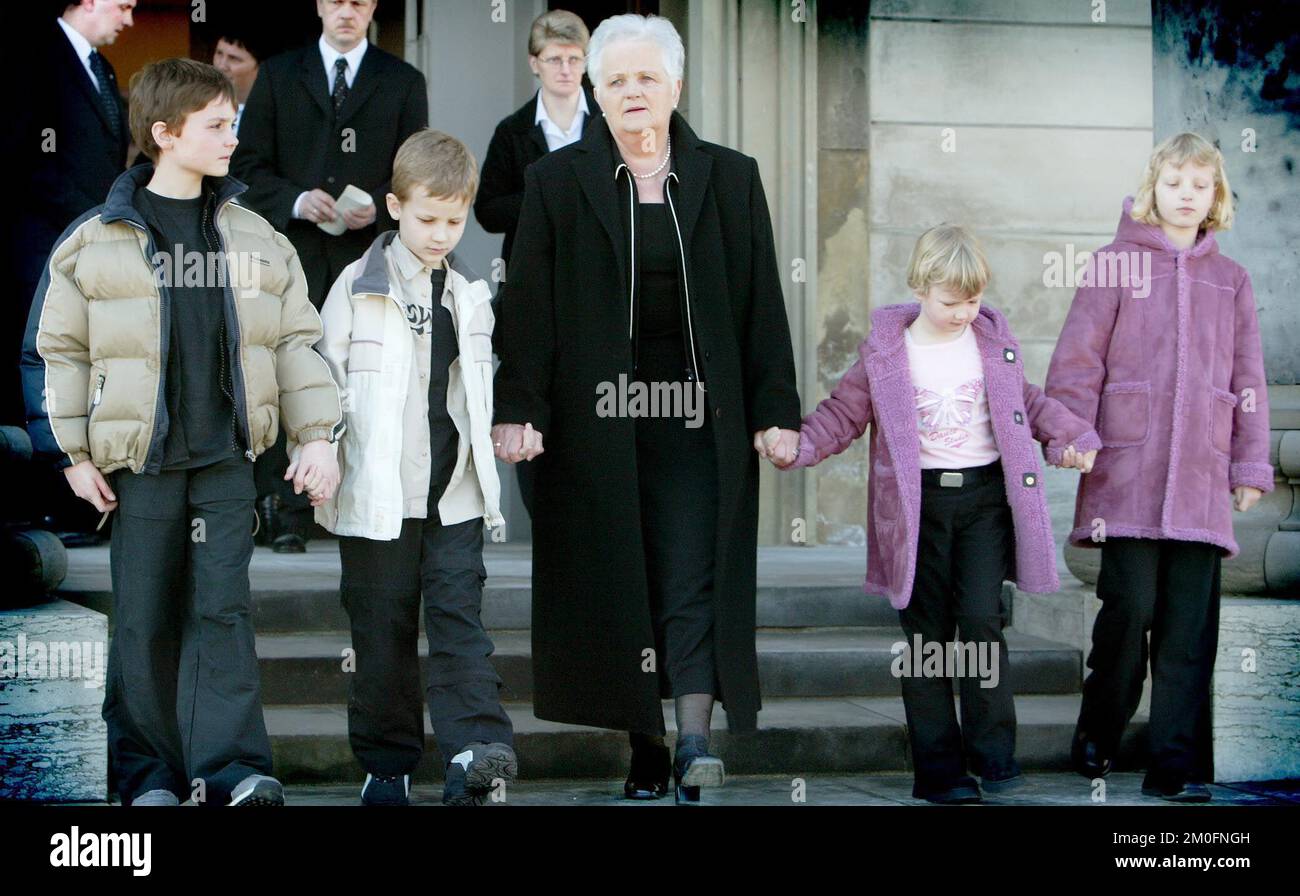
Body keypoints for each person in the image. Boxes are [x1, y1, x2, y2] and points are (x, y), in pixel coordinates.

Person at [492, 13, 802, 803]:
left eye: (647, 78)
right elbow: (528, 309)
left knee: (695, 571)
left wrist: (776, 408)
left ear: (677, 87)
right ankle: (647, 743)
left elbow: (761, 302)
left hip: (703, 420)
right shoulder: (556, 184)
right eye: (617, 80)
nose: (633, 92)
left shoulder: (730, 178)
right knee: (625, 578)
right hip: (600, 421)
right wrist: (520, 406)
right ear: (595, 93)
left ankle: (696, 738)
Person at [21, 58, 343, 807]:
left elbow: (297, 340)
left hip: (227, 463)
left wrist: (317, 434)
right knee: (142, 624)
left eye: (233, 123)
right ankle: (147, 781)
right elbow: (54, 351)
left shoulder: (255, 235)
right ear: (165, 134)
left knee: (222, 613)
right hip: (142, 467)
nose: (234, 138)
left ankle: (229, 771)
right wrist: (69, 453)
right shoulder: (91, 239)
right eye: (217, 126)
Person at [771, 225, 1099, 804]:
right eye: (951, 301)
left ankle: (995, 757)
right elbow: (842, 415)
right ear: (921, 287)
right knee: (926, 638)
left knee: (980, 622)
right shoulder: (885, 353)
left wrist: (1071, 436)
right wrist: (799, 446)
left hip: (983, 505)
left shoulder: (991, 344)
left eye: (972, 301)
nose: (962, 313)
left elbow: (1031, 405)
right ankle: (941, 773)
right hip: (915, 509)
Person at [1045, 132, 1274, 803]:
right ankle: (1099, 729)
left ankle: (1173, 764)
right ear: (1155, 188)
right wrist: (1071, 430)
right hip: (1127, 473)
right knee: (1130, 608)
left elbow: (1249, 375)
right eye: (1175, 183)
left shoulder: (1231, 280)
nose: (1185, 196)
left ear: (1215, 198)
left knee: (1189, 626)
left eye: (1199, 186)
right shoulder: (1115, 265)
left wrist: (1250, 461)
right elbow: (1078, 359)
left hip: (1201, 477)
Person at [314, 130, 516, 807]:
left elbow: (478, 392)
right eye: (427, 218)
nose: (441, 233)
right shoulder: (355, 288)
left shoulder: (471, 297)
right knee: (381, 631)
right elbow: (324, 381)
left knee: (461, 618)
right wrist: (316, 449)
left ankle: (472, 753)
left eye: (454, 220)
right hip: (377, 496)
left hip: (451, 496)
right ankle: (387, 766)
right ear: (395, 207)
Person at [232, 0, 427, 552]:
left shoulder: (403, 81)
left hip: (369, 257)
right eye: (337, 0)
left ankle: (359, 498)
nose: (347, 11)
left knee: (366, 375)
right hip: (290, 254)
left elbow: (415, 172)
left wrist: (386, 207)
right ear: (319, 5)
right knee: (283, 368)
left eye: (359, 2)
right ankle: (286, 508)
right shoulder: (277, 74)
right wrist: (295, 199)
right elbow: (245, 165)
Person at [10, 0, 137, 535]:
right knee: (43, 366)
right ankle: (37, 504)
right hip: (39, 245)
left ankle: (78, 505)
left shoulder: (102, 69)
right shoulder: (32, 54)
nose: (128, 20)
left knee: (85, 367)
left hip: (87, 247)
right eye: (124, 5)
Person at [475, 8, 598, 517]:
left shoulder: (609, 124)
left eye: (574, 59)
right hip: (531, 277)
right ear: (534, 62)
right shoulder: (513, 130)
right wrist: (546, 201)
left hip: (596, 281)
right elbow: (486, 208)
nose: (565, 69)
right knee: (531, 379)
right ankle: (545, 513)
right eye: (554, 59)